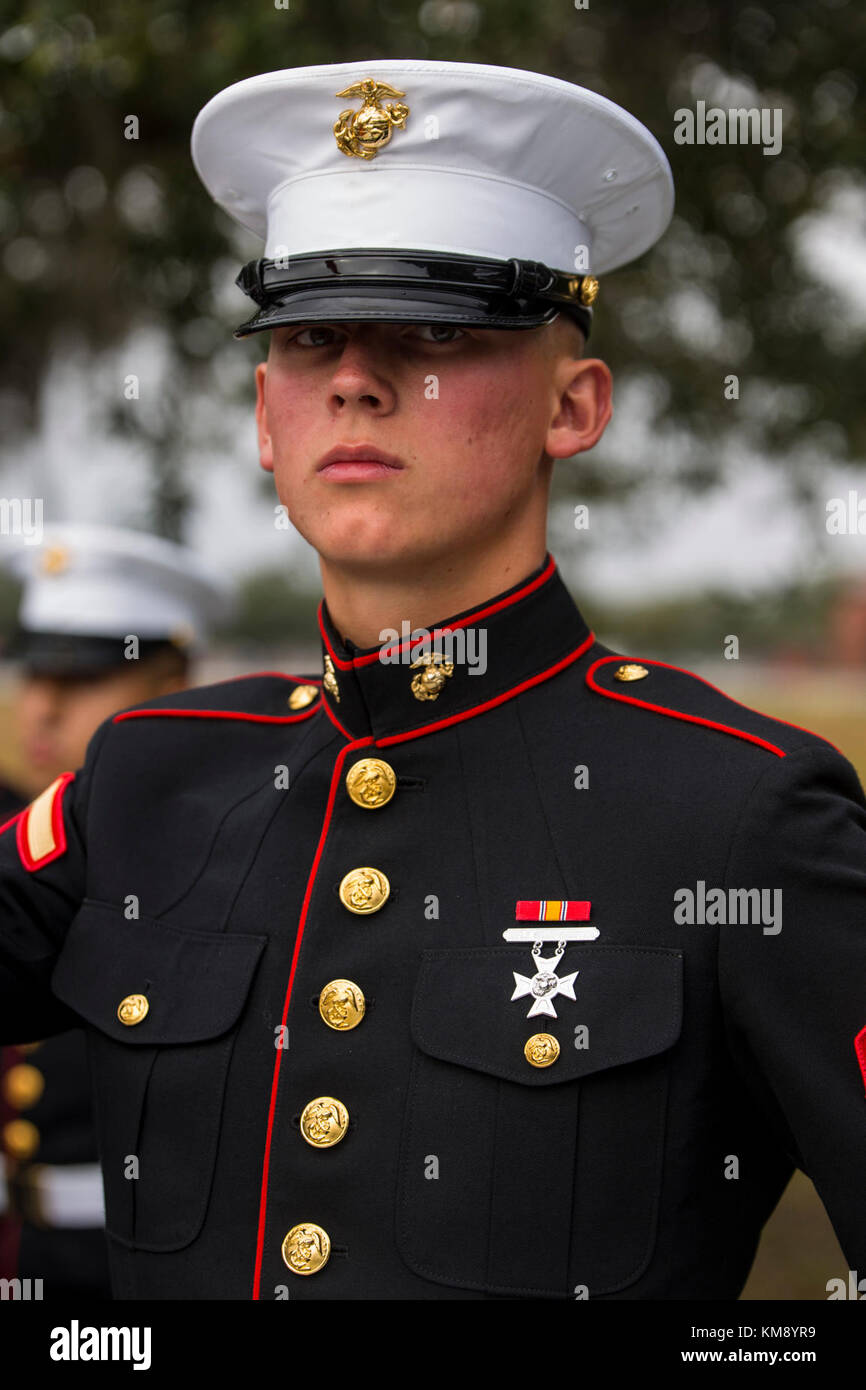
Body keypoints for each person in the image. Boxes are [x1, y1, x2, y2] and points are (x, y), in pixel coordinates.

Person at [0, 58, 864, 1301]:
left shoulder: (735, 815)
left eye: (438, 333)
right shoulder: (151, 775)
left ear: (572, 408)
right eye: (307, 339)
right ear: (264, 417)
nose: (355, 376)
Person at [0, 524, 230, 1297]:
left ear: (169, 687)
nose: (40, 708)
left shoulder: (224, 857)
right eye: (34, 676)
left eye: (80, 681)